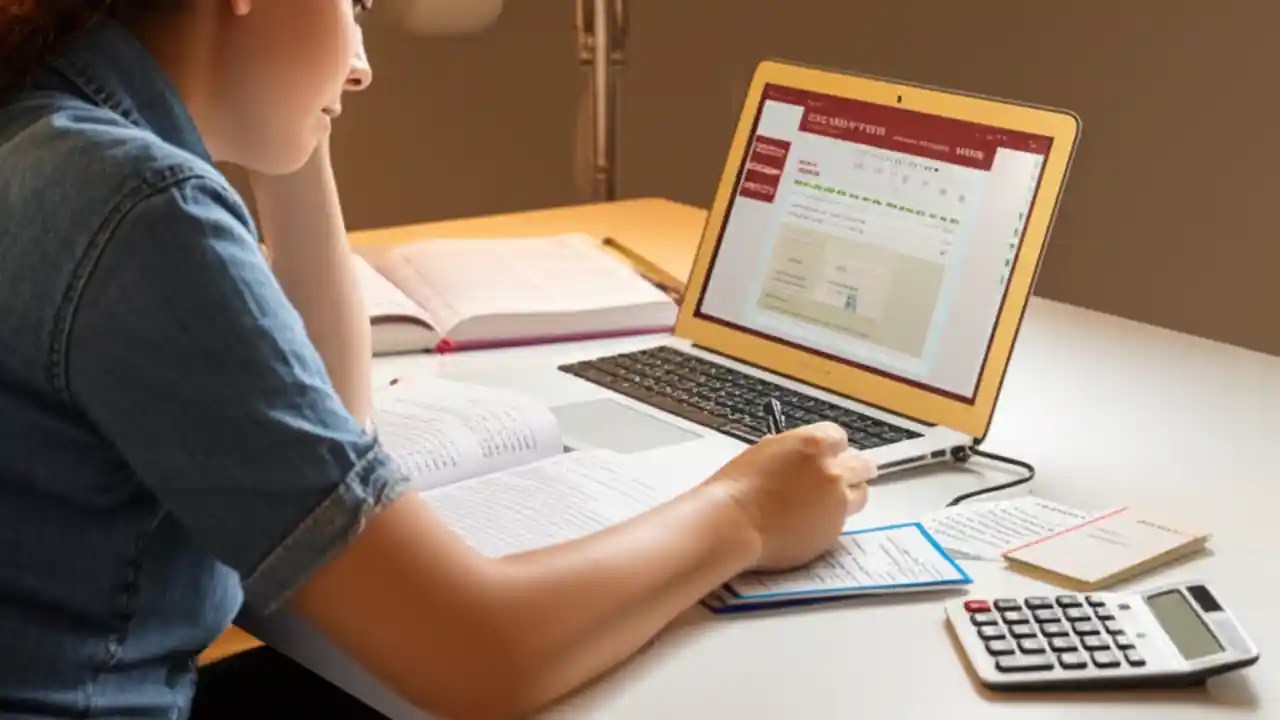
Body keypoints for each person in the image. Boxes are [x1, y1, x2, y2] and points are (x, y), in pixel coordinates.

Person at [0, 1, 877, 718]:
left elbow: (333, 430)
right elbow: (478, 654)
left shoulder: (49, 135)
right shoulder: (144, 210)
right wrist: (746, 510)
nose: (362, 63)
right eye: (356, 5)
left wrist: (298, 127)